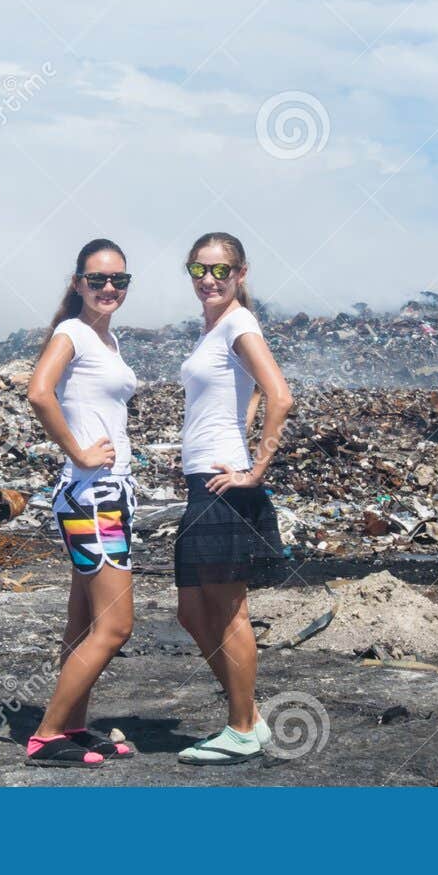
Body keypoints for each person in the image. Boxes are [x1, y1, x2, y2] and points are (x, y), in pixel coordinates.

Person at [173, 231, 294, 765]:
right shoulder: (214, 328)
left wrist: (255, 468)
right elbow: (243, 395)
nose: (209, 279)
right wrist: (239, 436)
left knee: (226, 611)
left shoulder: (239, 322)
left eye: (220, 270)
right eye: (199, 269)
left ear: (241, 274)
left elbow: (281, 394)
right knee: (191, 611)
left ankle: (242, 728)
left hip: (225, 487)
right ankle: (250, 714)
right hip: (204, 480)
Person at [23, 238, 140, 768]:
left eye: (119, 280)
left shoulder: (108, 343)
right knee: (116, 627)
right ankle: (47, 736)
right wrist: (78, 451)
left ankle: (71, 725)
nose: (109, 288)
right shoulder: (72, 332)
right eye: (98, 280)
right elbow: (38, 392)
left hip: (108, 493)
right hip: (93, 495)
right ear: (78, 284)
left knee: (85, 621)